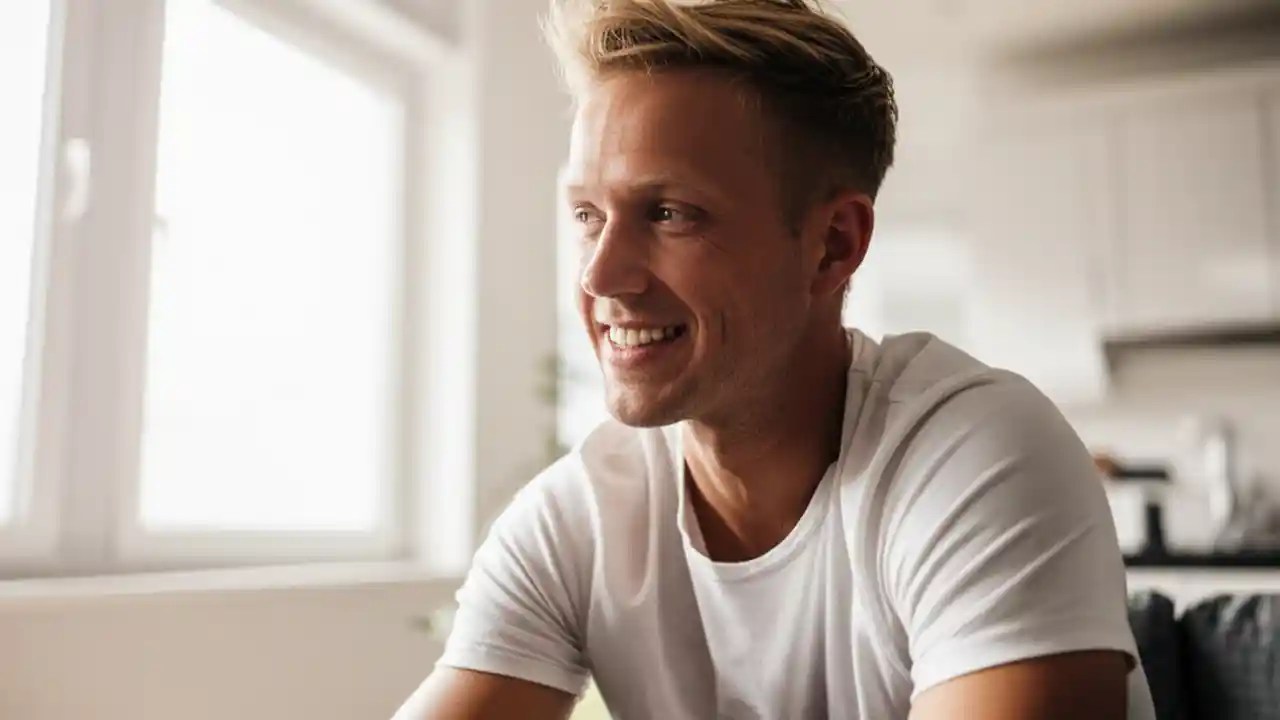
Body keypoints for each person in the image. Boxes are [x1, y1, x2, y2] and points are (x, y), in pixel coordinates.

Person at [395, 1, 1156, 718]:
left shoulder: (977, 457)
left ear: (832, 247)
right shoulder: (579, 518)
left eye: (669, 213)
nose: (600, 277)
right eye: (589, 216)